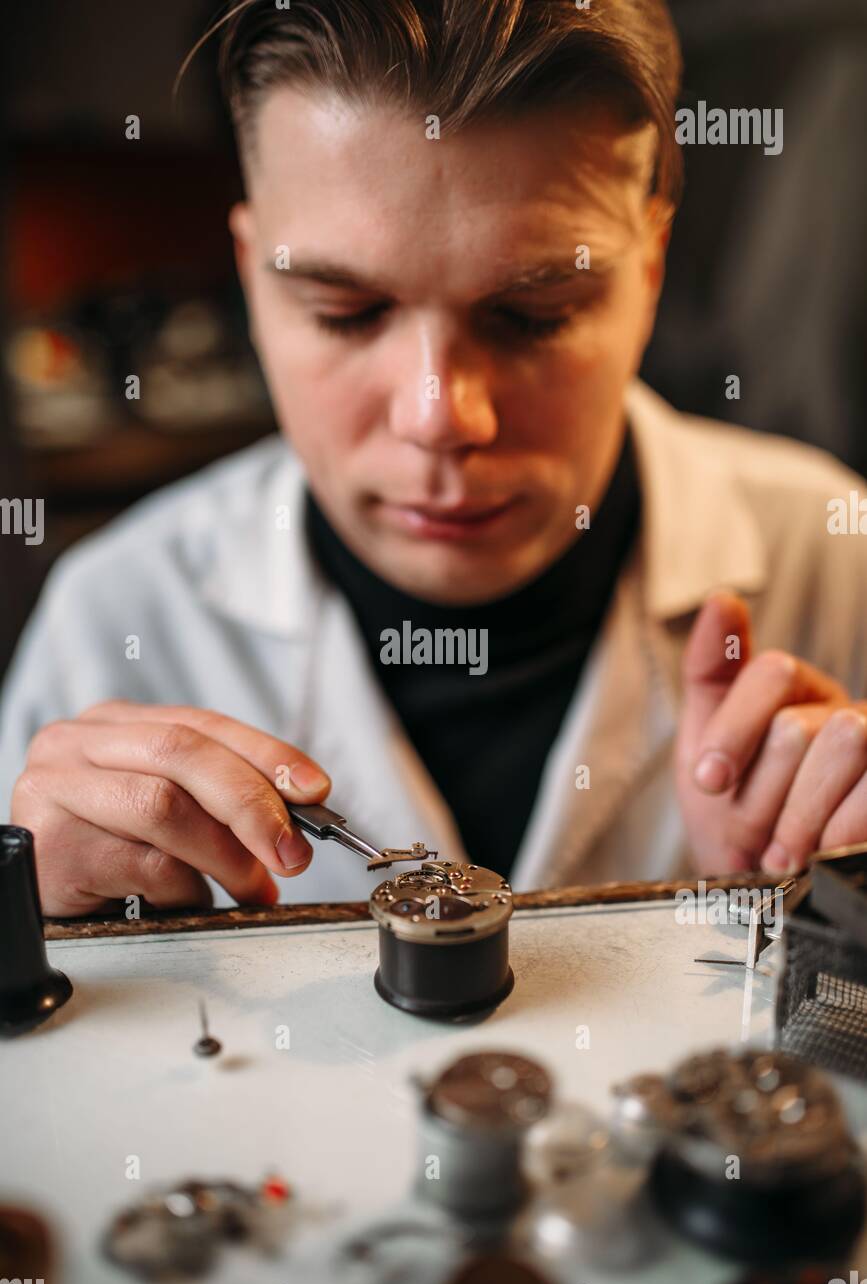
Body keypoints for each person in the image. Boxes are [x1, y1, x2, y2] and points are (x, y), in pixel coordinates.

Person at [2, 0, 866, 916]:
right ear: (254, 276)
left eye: (534, 315)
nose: (439, 418)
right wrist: (34, 939)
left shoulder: (835, 558)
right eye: (347, 313)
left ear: (647, 270)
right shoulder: (113, 620)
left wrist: (819, 920)